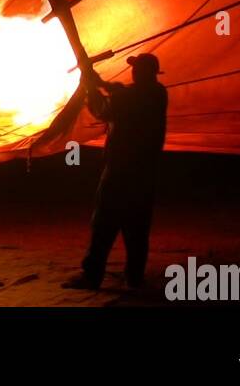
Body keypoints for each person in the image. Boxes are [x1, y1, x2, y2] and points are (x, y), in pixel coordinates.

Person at [64, 53, 167, 290]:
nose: (132, 72)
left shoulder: (130, 97)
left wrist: (90, 87)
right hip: (145, 173)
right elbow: (121, 92)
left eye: (135, 69)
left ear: (141, 72)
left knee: (104, 223)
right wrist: (99, 82)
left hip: (120, 170)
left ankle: (92, 275)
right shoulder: (158, 93)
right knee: (138, 228)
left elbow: (102, 110)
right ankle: (134, 278)